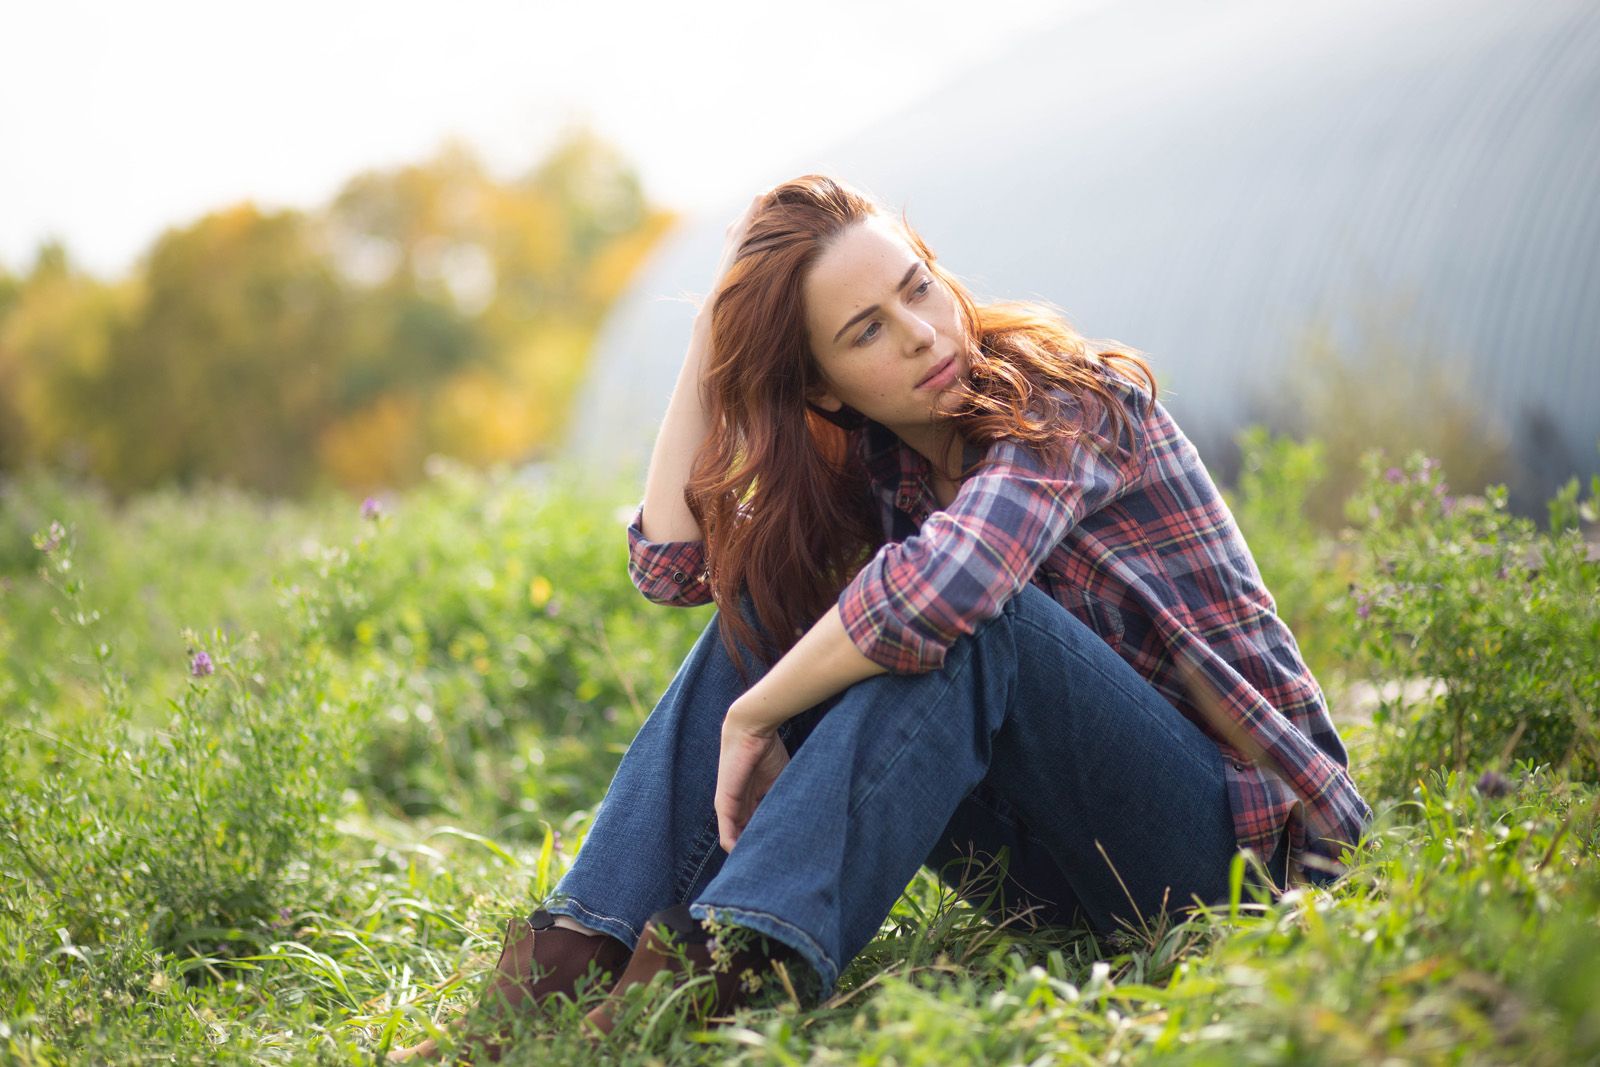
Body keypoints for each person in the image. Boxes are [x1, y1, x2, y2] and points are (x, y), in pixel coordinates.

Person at [389, 175, 1374, 1062]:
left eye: (916, 287)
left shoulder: (1072, 402)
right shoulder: (877, 464)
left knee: (973, 620)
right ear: (818, 383)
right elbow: (671, 564)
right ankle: (553, 975)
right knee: (766, 610)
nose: (921, 333)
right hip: (1064, 878)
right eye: (864, 330)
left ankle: (727, 966)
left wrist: (757, 715)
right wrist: (706, 349)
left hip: (1246, 857)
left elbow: (949, 586)